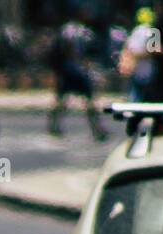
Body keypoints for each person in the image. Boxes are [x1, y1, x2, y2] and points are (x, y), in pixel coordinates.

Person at [48, 4, 106, 141]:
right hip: (74, 70)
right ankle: (96, 129)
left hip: (70, 69)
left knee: (68, 100)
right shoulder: (77, 31)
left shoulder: (70, 30)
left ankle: (55, 126)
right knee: (75, 100)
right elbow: (68, 51)